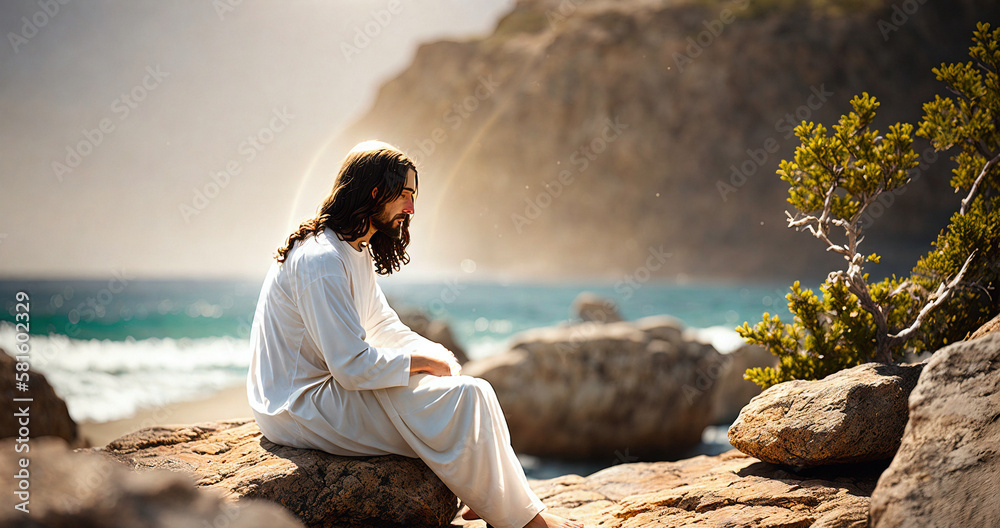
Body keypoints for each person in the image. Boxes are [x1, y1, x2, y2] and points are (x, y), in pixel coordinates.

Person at [246, 140, 583, 528]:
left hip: (324, 391)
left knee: (476, 389)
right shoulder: (321, 260)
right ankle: (524, 523)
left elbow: (382, 325)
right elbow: (350, 366)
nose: (411, 207)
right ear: (376, 192)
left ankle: (492, 499)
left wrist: (439, 356)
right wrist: (421, 363)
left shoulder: (352, 249)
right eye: (405, 195)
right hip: (297, 404)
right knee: (466, 400)